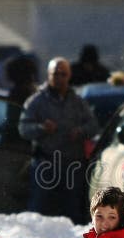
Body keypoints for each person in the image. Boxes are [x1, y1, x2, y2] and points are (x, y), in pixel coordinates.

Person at [19, 57, 99, 223]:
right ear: (48, 75)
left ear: (69, 76)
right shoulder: (36, 102)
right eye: (55, 74)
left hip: (72, 165)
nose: (59, 78)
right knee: (38, 212)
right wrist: (41, 128)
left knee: (73, 213)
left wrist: (80, 131)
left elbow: (93, 126)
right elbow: (23, 129)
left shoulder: (78, 102)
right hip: (45, 163)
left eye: (63, 74)